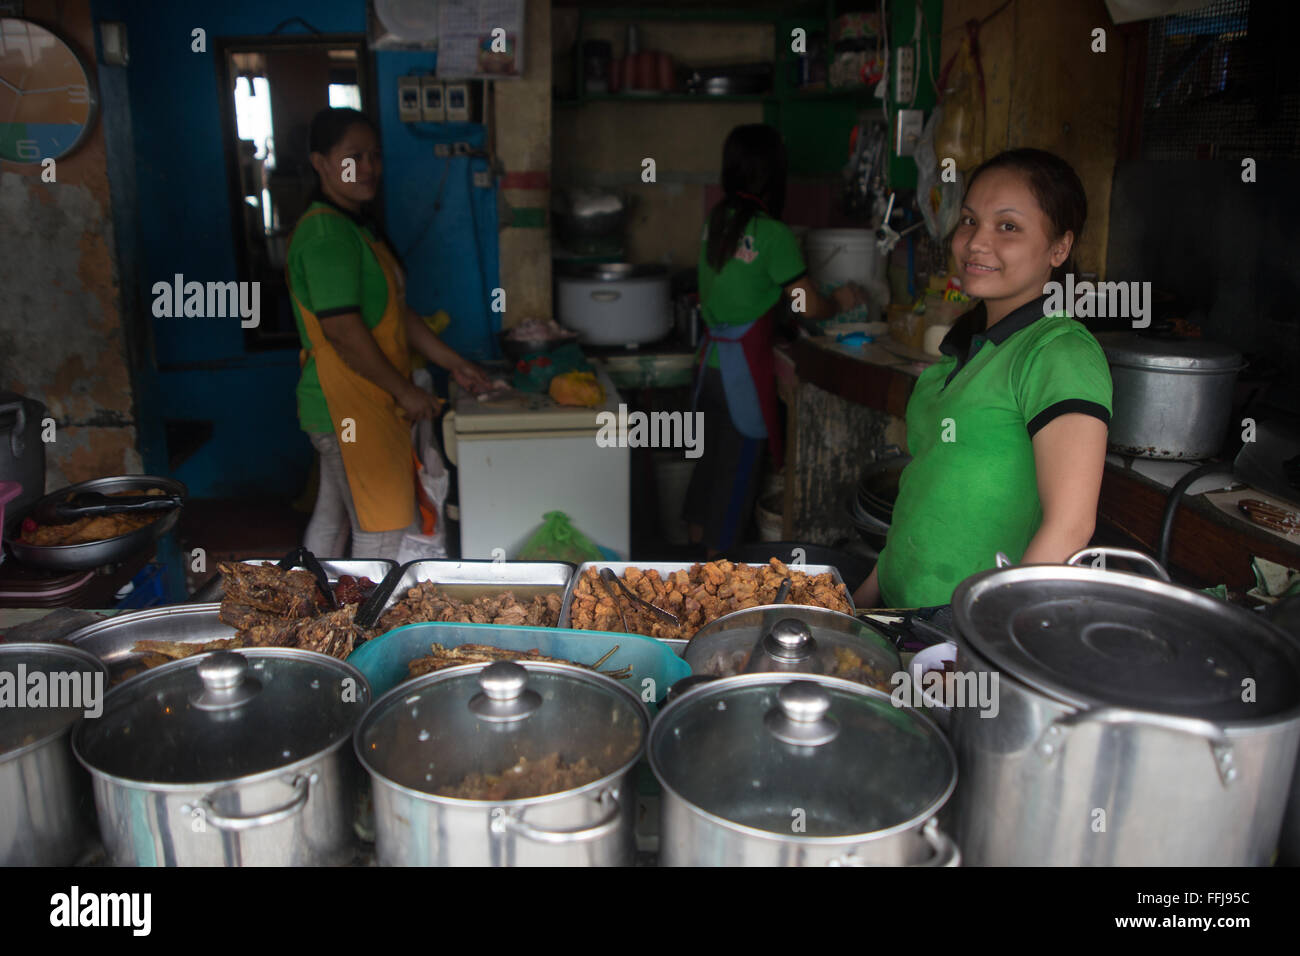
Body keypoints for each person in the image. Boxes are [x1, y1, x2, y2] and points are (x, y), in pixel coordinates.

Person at [854, 148, 1113, 609]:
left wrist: (985, 642)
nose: (975, 242)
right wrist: (863, 600)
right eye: (970, 220)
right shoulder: (963, 352)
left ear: (1060, 247)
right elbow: (926, 493)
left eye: (1008, 227)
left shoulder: (1059, 352)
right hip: (903, 615)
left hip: (964, 635)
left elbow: (1071, 526)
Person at [289, 107, 492, 559]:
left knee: (333, 517)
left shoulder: (354, 228)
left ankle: (308, 614)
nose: (367, 168)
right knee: (382, 532)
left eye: (374, 156)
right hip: (350, 406)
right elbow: (342, 331)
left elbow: (398, 317)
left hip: (355, 403)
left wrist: (455, 364)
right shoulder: (327, 235)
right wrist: (404, 391)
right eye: (352, 156)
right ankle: (363, 628)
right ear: (320, 162)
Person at [684, 124, 868, 556]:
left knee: (708, 474)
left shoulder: (718, 220)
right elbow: (805, 303)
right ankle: (715, 589)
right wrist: (840, 299)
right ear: (774, 175)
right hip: (741, 378)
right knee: (735, 485)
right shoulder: (773, 234)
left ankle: (689, 564)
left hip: (708, 367)